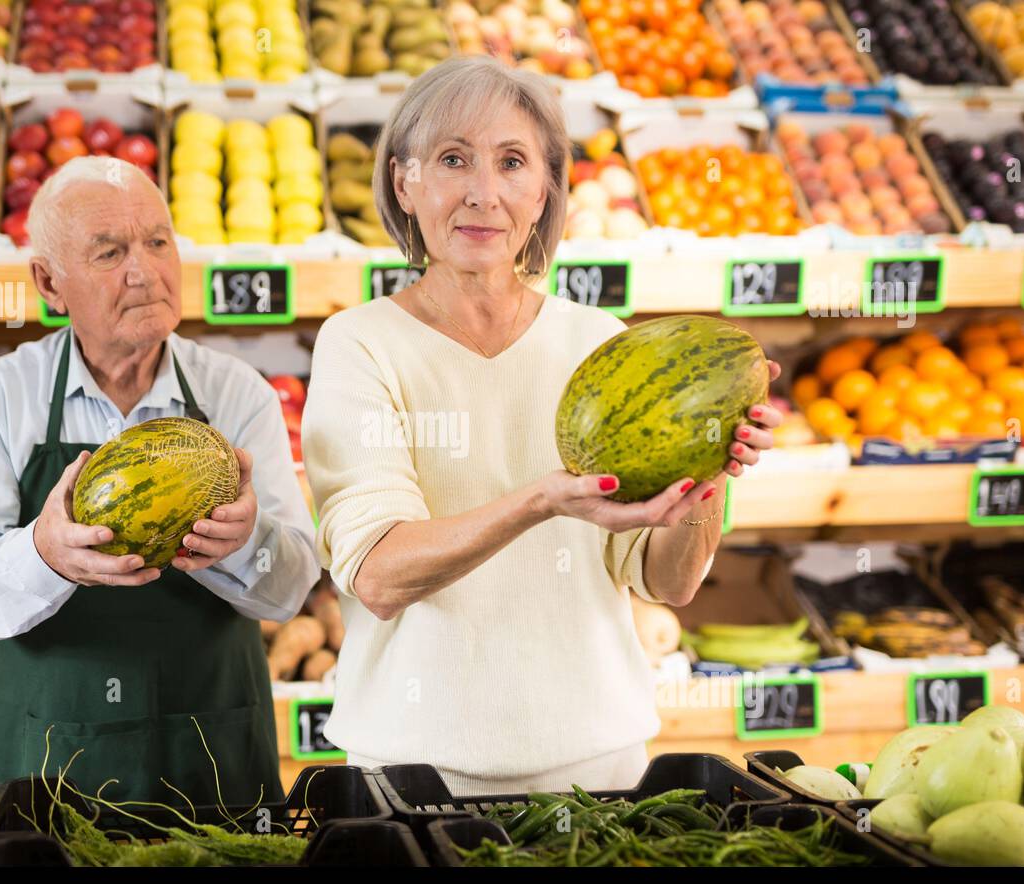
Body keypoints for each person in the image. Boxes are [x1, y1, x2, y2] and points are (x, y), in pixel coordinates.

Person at [301, 57, 783, 795]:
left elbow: (667, 581)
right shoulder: (361, 344)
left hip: (599, 767)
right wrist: (542, 499)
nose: (482, 193)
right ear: (405, 182)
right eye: (452, 159)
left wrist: (709, 477)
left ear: (546, 189)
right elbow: (379, 575)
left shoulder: (599, 342)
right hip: (415, 773)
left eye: (513, 162)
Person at [0, 156, 318, 805]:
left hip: (212, 764)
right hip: (47, 771)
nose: (145, 271)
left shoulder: (237, 396)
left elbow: (293, 586)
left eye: (158, 242)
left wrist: (248, 541)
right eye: (110, 253)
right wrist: (43, 554)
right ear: (49, 283)